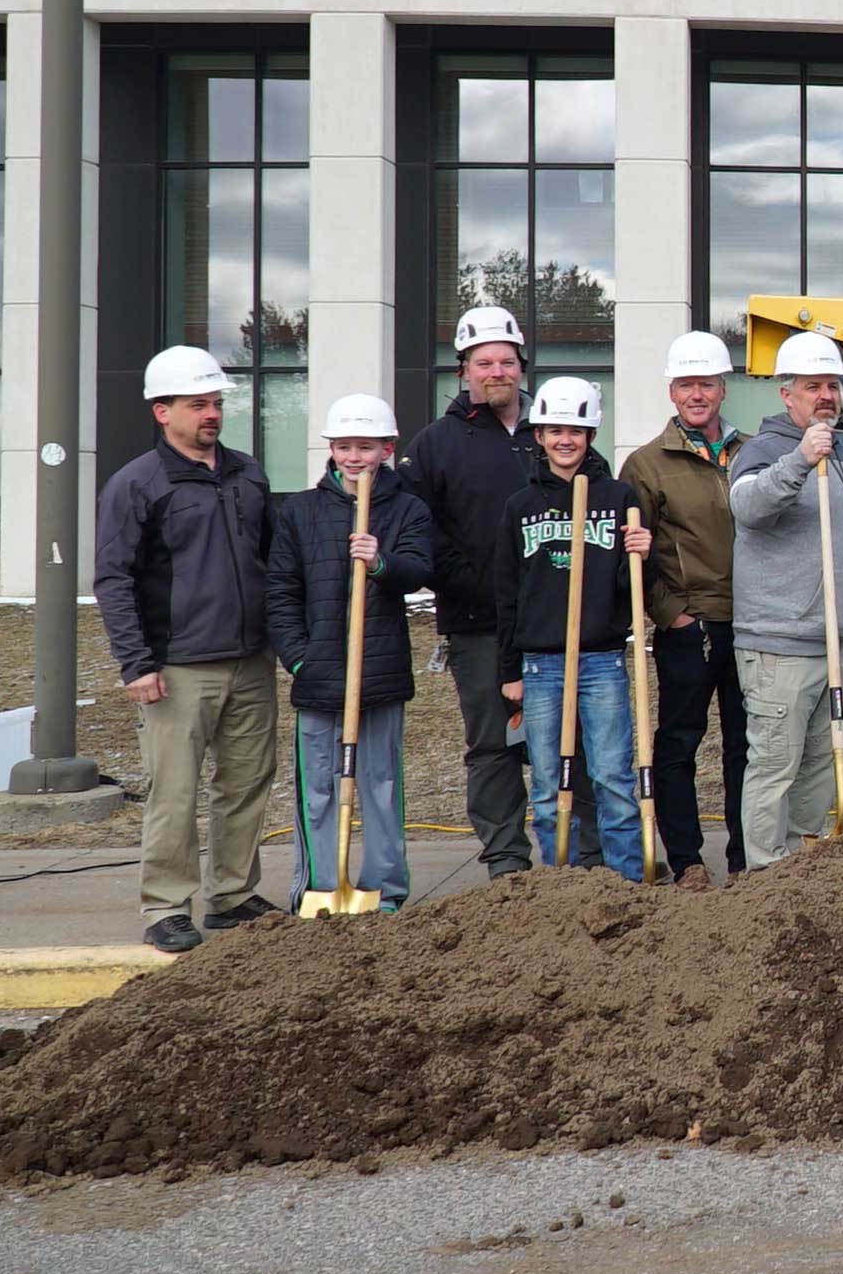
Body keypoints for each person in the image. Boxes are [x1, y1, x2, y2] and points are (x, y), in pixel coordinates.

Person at [93, 346, 279, 952]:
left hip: (250, 659)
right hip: (176, 669)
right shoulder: (136, 485)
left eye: (217, 403)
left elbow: (270, 561)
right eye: (198, 404)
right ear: (161, 410)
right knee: (174, 791)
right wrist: (136, 664)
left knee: (246, 782)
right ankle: (166, 906)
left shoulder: (248, 474)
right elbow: (114, 579)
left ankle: (231, 894)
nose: (212, 414)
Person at [397, 306, 552, 880]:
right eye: (483, 362)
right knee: (494, 745)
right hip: (478, 622)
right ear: (463, 369)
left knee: (567, 744)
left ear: (521, 366)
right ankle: (507, 860)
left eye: (507, 362)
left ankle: (577, 854)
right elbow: (419, 528)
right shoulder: (436, 444)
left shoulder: (552, 431)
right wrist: (474, 582)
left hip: (553, 623)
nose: (496, 372)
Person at [265, 394, 433, 913]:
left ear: (387, 449)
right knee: (318, 790)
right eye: (345, 447)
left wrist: (380, 562)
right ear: (331, 450)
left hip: (378, 673)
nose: (355, 457)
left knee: (380, 786)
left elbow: (420, 569)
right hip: (319, 676)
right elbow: (280, 591)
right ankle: (319, 886)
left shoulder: (408, 509)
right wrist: (299, 659)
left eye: (366, 446)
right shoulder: (300, 511)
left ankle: (385, 889)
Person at [728, 331, 843, 869]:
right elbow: (746, 506)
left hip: (840, 638)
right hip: (780, 645)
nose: (826, 397)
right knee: (774, 765)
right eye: (812, 386)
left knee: (822, 763)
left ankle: (805, 868)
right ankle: (766, 875)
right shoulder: (762, 450)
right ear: (785, 394)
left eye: (833, 386)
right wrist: (796, 460)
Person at [494, 378, 653, 875]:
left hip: (601, 659)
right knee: (546, 783)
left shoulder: (619, 497)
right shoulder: (521, 507)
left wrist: (640, 557)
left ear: (591, 436)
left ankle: (629, 882)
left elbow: (634, 592)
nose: (566, 440)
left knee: (611, 776)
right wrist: (510, 669)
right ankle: (558, 885)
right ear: (539, 436)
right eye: (555, 430)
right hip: (541, 664)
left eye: (577, 431)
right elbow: (507, 593)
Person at [623, 330, 749, 886]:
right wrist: (670, 611)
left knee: (747, 745)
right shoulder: (646, 465)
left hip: (752, 621)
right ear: (672, 393)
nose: (697, 394)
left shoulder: (751, 453)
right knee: (678, 741)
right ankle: (688, 860)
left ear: (723, 388)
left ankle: (747, 855)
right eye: (686, 385)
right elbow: (635, 553)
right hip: (690, 625)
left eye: (706, 383)